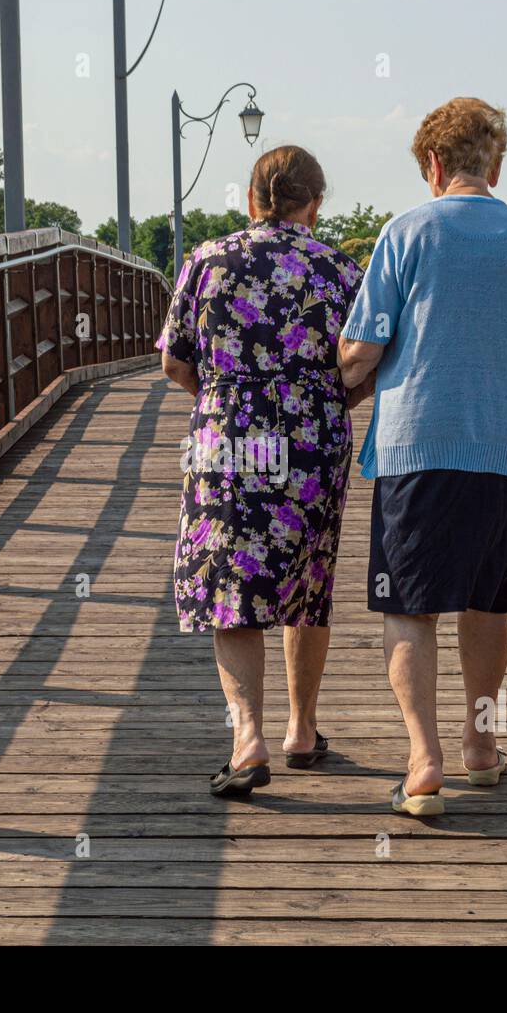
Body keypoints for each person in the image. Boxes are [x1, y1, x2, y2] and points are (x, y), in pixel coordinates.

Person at [339, 98, 507, 815]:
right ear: (495, 165)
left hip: (418, 443)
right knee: (488, 597)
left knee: (410, 606)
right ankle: (481, 748)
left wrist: (336, 378)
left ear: (432, 165)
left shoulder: (405, 231)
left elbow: (361, 351)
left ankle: (423, 763)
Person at [157, 145, 366, 797]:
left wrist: (223, 396)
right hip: (311, 441)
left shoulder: (206, 261)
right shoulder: (339, 271)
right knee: (308, 579)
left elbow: (174, 362)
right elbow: (364, 363)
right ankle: (302, 730)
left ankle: (247, 739)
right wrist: (333, 400)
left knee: (232, 585)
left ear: (252, 200)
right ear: (315, 204)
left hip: (229, 437)